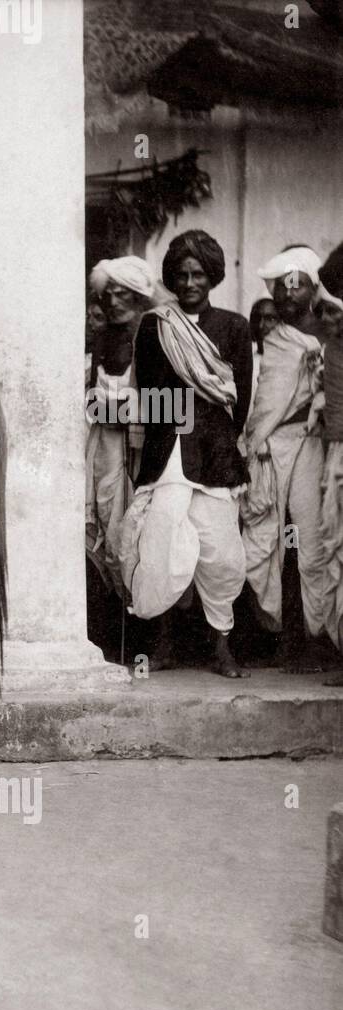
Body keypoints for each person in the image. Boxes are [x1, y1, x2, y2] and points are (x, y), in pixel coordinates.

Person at [123, 230, 252, 676]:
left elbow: (240, 399)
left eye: (198, 273)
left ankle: (221, 648)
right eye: (181, 274)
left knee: (222, 556)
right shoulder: (155, 325)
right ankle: (163, 648)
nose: (190, 281)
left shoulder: (234, 326)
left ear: (213, 276)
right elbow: (148, 394)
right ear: (172, 278)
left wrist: (215, 435)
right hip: (167, 456)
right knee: (159, 548)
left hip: (215, 458)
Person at [240, 246, 331, 672]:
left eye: (296, 286)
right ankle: (283, 638)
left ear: (314, 288)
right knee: (272, 544)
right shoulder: (275, 341)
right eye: (282, 288)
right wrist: (254, 444)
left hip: (312, 447)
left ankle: (319, 638)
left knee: (309, 542)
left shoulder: (330, 333)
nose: (288, 294)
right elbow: (264, 405)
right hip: (270, 451)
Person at [85, 255, 155, 596]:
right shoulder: (103, 339)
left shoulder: (156, 336)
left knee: (140, 531)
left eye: (120, 293)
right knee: (106, 525)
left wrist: (121, 412)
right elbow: (89, 401)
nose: (112, 301)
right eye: (107, 294)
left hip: (146, 451)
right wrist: (112, 411)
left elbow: (176, 407)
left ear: (137, 294)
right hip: (104, 449)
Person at [313, 281, 343, 679]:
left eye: (335, 312)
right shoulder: (331, 351)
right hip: (335, 455)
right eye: (325, 312)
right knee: (335, 551)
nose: (328, 320)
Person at [249, 297, 279, 390]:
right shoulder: (245, 362)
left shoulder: (293, 361)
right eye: (256, 318)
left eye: (270, 319)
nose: (261, 325)